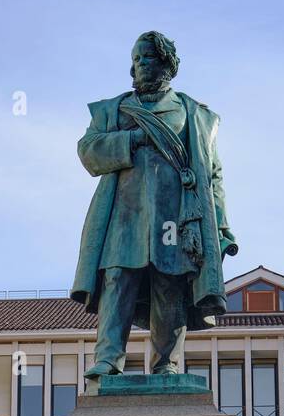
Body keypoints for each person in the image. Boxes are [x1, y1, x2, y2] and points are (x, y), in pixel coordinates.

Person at [71, 31, 237, 377]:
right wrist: (133, 138)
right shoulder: (111, 110)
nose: (139, 65)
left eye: (146, 58)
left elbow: (213, 177)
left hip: (174, 216)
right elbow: (88, 151)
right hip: (123, 215)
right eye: (135, 60)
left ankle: (167, 364)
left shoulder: (195, 115)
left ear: (166, 63)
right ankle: (108, 359)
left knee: (169, 282)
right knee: (117, 278)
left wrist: (220, 227)